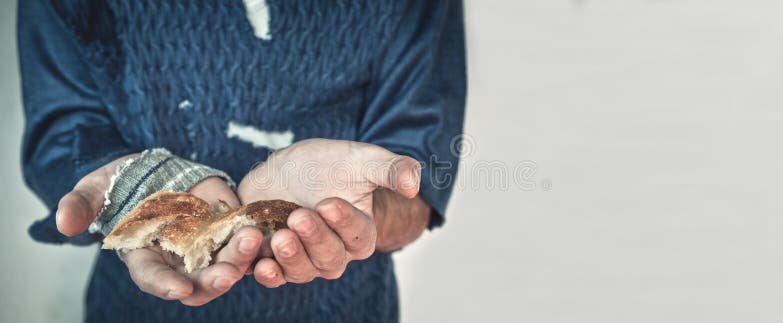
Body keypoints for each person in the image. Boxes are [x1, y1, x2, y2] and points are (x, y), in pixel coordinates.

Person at [18, 0, 465, 322]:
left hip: (344, 308)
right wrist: (136, 184)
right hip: (139, 306)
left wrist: (354, 213)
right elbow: (63, 133)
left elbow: (416, 177)